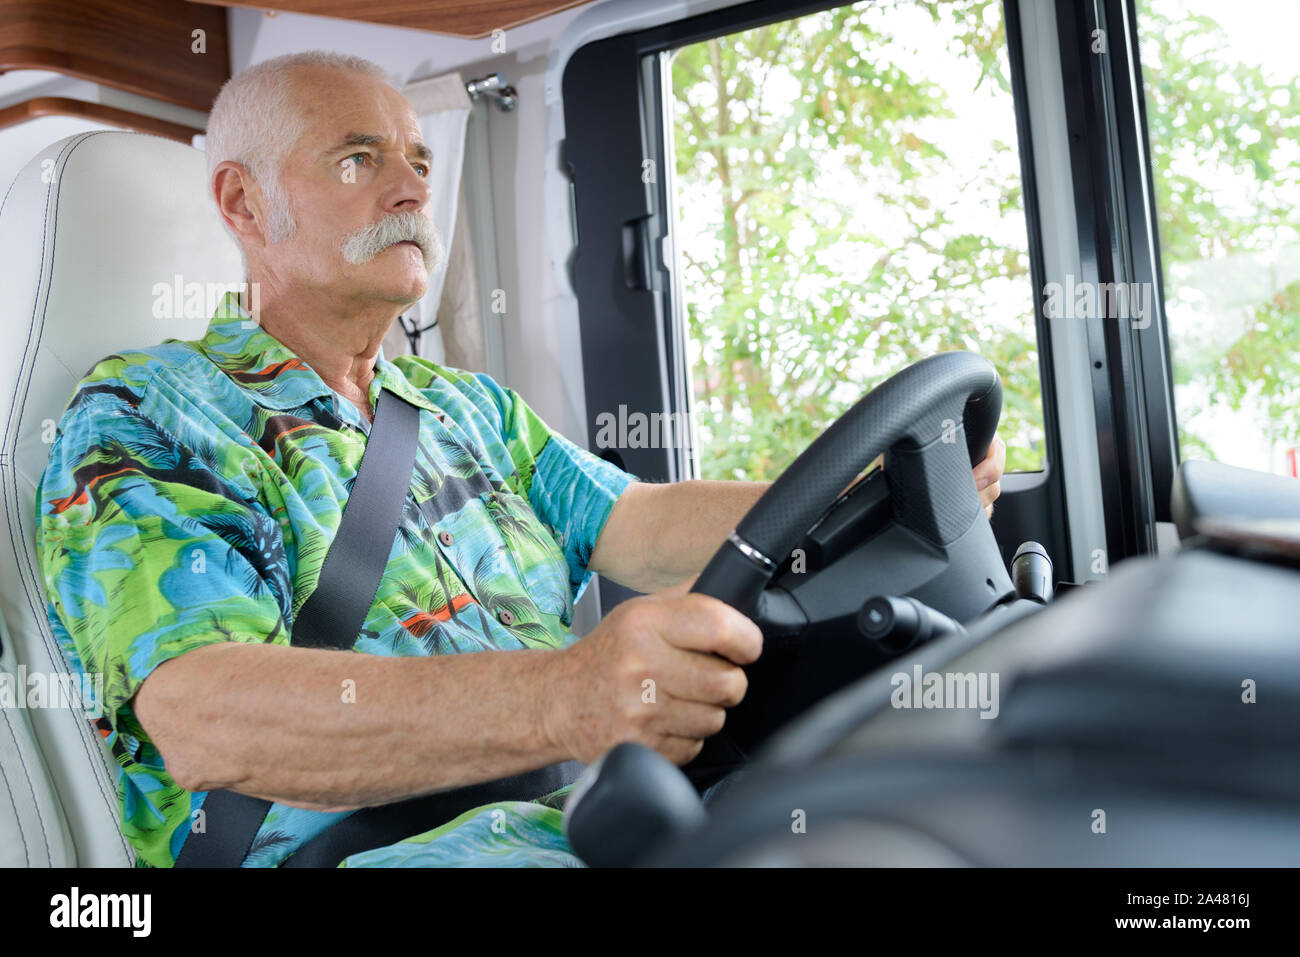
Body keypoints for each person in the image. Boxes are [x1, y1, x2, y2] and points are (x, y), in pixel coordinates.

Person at [34, 51, 1006, 867]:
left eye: (416, 157)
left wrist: (885, 487)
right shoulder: (146, 414)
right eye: (357, 157)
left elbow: (645, 524)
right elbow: (205, 716)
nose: (412, 185)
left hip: (605, 810)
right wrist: (569, 700)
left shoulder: (466, 407)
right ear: (243, 203)